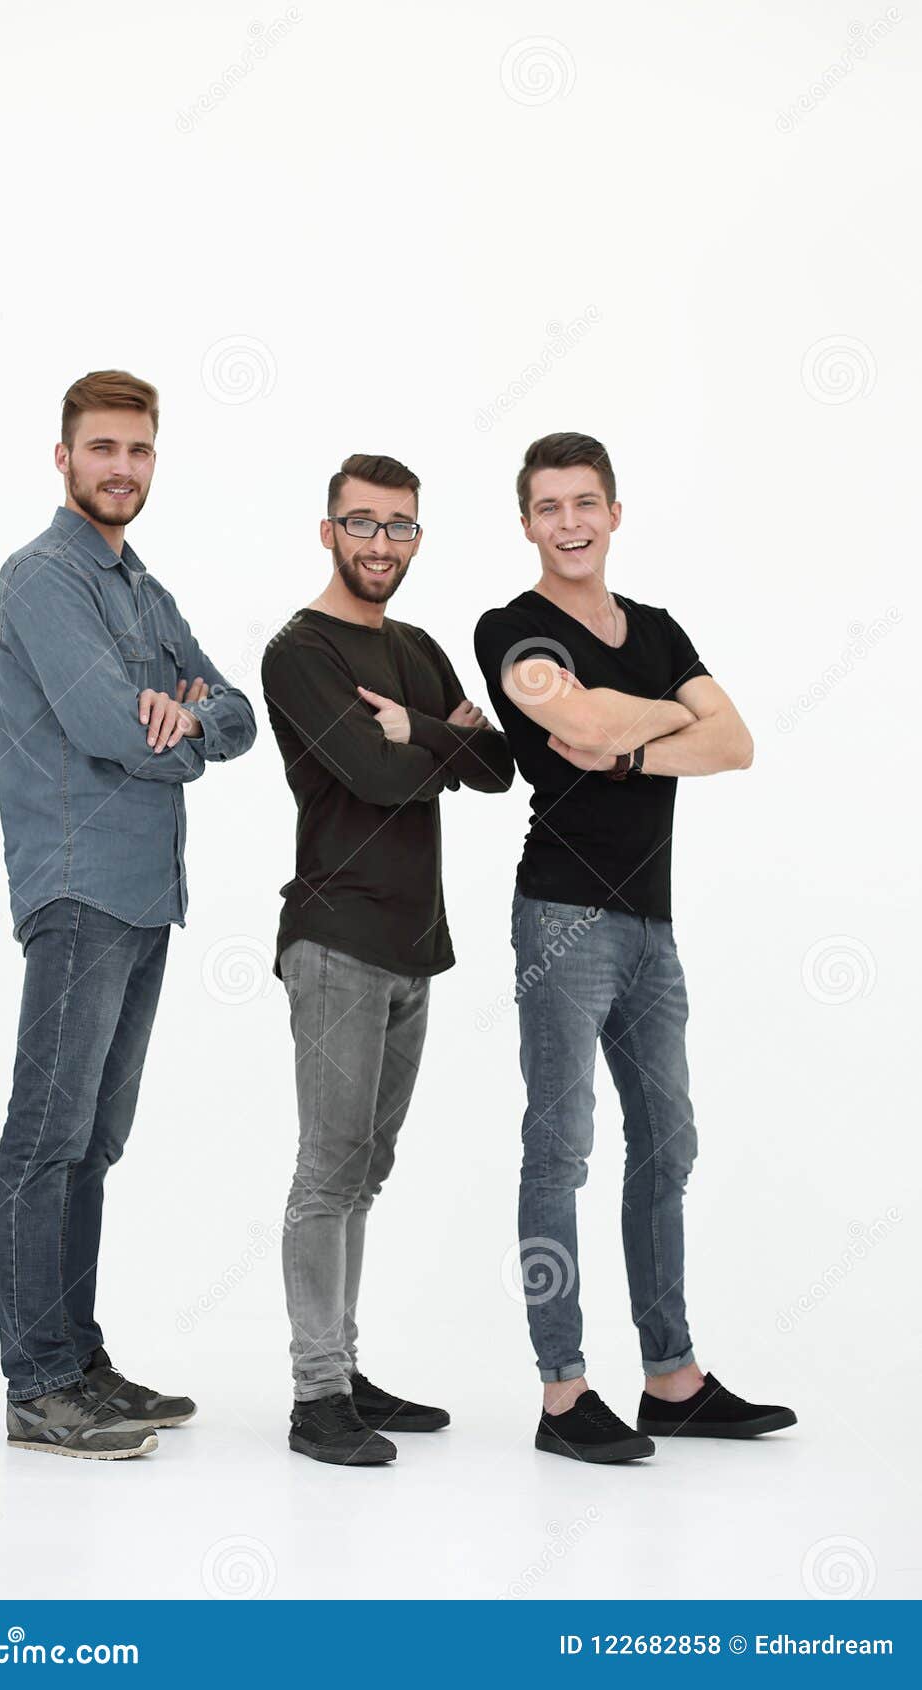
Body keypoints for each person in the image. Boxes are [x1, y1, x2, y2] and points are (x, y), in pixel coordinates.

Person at [474, 432, 796, 1464]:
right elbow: (565, 717)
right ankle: (562, 1393)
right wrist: (653, 722)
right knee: (558, 1148)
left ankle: (671, 1379)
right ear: (525, 522)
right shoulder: (509, 627)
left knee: (667, 1141)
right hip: (560, 914)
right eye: (548, 506)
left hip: (651, 924)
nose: (568, 522)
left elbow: (735, 743)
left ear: (614, 513)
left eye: (585, 502)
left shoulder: (656, 628)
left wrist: (622, 730)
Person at [0, 369, 256, 1459]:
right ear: (64, 457)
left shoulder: (142, 589)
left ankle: (79, 1358)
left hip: (147, 897)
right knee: (45, 1139)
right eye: (102, 448)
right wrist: (171, 721)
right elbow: (110, 724)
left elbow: (234, 712)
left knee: (94, 1142)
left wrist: (189, 717)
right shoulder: (42, 579)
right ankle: (36, 1382)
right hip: (76, 886)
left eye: (139, 450)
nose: (122, 468)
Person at [262, 452, 515, 1466]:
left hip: (413, 945)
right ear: (326, 530)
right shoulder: (299, 651)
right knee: (327, 1171)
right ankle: (315, 1395)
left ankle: (344, 1367)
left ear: (416, 536)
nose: (378, 543)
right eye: (360, 523)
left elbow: (498, 766)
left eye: (397, 526)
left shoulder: (414, 646)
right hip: (335, 941)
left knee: (367, 1169)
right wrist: (431, 748)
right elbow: (367, 775)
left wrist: (420, 729)